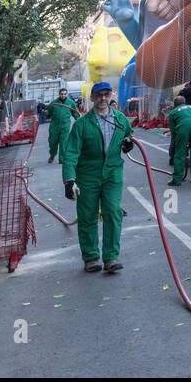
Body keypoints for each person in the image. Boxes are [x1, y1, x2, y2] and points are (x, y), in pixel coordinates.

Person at [61, 81, 135, 273]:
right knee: (87, 216)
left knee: (112, 212)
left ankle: (111, 257)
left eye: (106, 95)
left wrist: (128, 143)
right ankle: (91, 257)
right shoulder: (81, 125)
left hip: (112, 173)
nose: (103, 98)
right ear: (92, 98)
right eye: (99, 95)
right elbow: (70, 154)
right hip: (88, 176)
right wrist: (70, 180)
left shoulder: (120, 119)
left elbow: (128, 134)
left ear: (111, 96)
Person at [166, 95, 191, 185]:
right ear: (184, 102)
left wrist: (180, 143)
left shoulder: (172, 113)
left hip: (183, 127)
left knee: (179, 154)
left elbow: (173, 131)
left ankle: (177, 179)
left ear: (175, 104)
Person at [46, 87, 79, 164]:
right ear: (59, 94)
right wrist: (46, 113)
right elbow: (48, 113)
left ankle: (62, 159)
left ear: (67, 94)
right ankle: (52, 155)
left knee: (64, 143)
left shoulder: (71, 103)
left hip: (65, 126)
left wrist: (78, 119)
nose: (63, 95)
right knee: (52, 142)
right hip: (54, 126)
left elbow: (75, 113)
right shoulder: (54, 103)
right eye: (62, 94)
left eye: (65, 94)